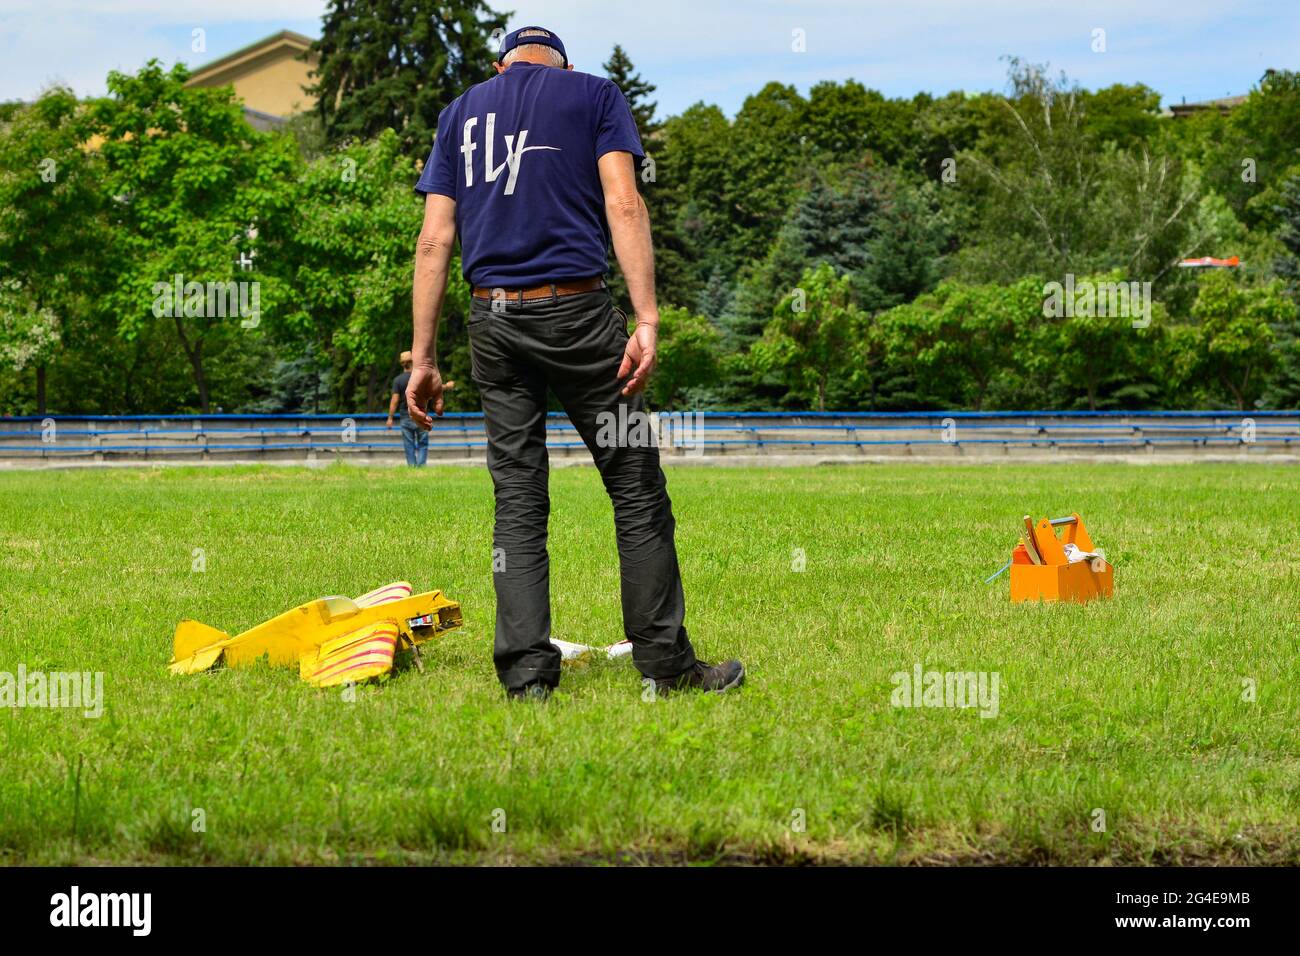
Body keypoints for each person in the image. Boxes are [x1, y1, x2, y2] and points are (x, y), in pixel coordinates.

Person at [405, 25, 743, 700]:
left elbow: (434, 241)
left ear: (501, 65)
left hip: (492, 323)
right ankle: (668, 669)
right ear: (563, 64)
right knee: (636, 492)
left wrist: (424, 357)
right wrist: (646, 317)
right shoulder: (594, 94)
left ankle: (528, 678)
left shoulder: (459, 113)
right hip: (578, 318)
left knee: (519, 502)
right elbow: (624, 201)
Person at [387, 351, 428, 466]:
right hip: (420, 414)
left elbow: (394, 401)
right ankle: (421, 467)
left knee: (408, 444)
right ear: (413, 361)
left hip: (405, 416)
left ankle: (412, 467)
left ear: (402, 364)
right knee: (423, 443)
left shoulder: (398, 380)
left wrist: (390, 417)